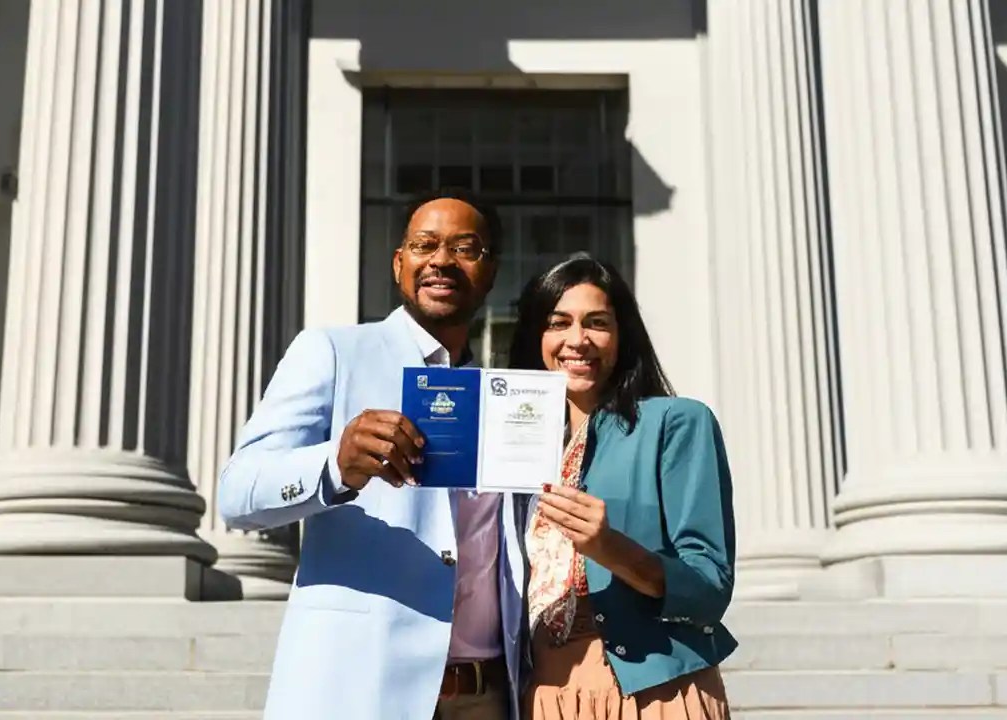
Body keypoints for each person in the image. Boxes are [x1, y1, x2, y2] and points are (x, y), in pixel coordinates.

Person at [218, 190, 525, 720]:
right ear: (398, 263)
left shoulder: (505, 396)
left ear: (491, 269)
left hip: (487, 695)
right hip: (359, 687)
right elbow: (237, 492)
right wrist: (334, 465)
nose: (442, 261)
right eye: (424, 245)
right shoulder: (333, 352)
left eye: (465, 247)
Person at [507, 253, 737, 720]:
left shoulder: (676, 423)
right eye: (558, 322)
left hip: (653, 692)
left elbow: (710, 588)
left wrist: (610, 548)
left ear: (621, 334)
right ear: (536, 336)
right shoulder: (510, 446)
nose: (578, 340)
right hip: (544, 692)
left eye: (597, 322)